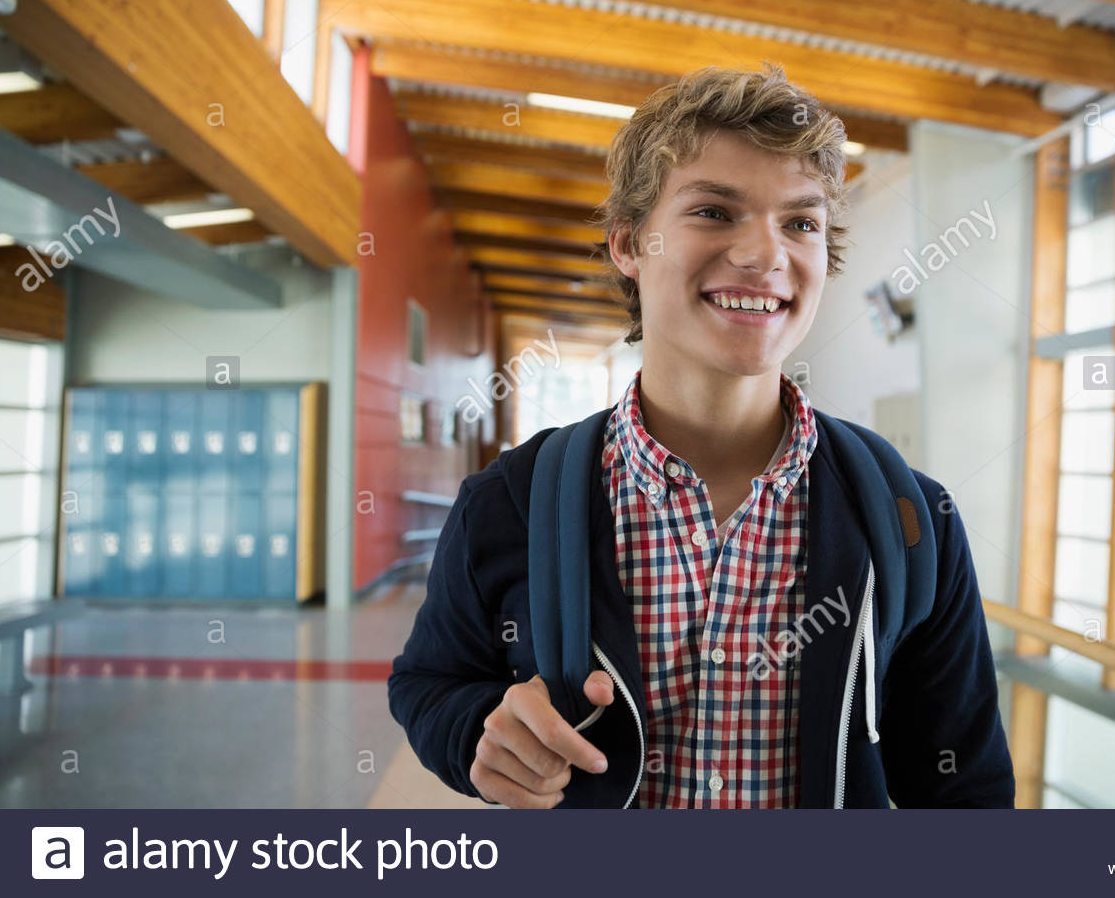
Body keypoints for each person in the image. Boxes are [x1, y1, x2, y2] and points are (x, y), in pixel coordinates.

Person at [387, 64, 1015, 809]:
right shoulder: (511, 501)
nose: (765, 254)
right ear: (628, 244)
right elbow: (429, 681)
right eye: (715, 211)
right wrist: (476, 733)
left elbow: (963, 787)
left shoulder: (913, 521)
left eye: (800, 222)